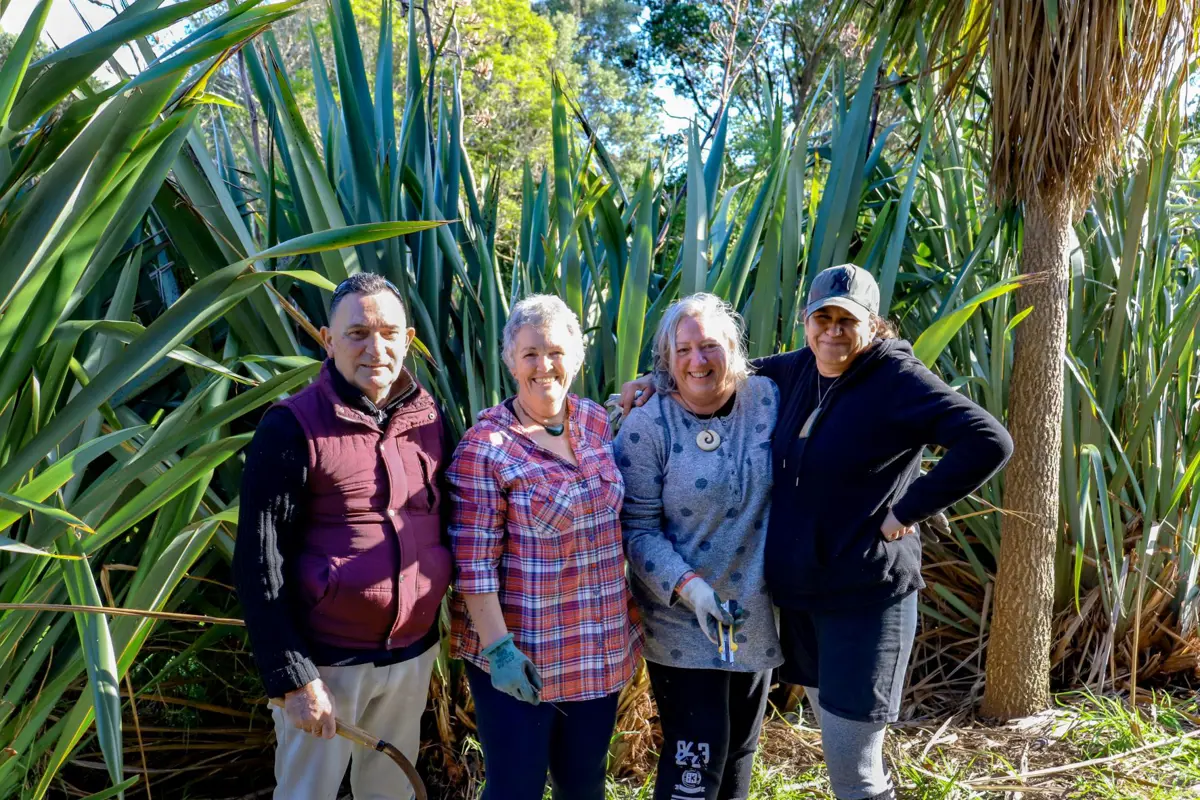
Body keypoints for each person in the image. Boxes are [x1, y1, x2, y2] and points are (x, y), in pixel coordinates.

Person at [619, 265, 1013, 800]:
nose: (833, 331)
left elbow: (988, 440)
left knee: (855, 771)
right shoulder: (798, 369)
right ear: (805, 321)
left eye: (846, 320)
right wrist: (654, 381)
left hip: (864, 597)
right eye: (822, 318)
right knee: (761, 756)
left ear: (873, 324)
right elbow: (713, 368)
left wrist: (907, 510)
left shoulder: (895, 379)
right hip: (802, 603)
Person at [234, 273, 451, 800]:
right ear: (328, 340)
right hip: (325, 666)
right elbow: (259, 562)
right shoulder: (290, 426)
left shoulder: (429, 419)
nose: (376, 348)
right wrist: (294, 676)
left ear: (408, 339)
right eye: (357, 334)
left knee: (392, 792)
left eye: (389, 333)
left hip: (412, 655)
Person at [447, 294, 642, 800]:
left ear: (575, 357)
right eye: (530, 353)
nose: (544, 365)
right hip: (523, 657)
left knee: (584, 786)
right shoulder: (486, 448)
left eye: (555, 352)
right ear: (511, 362)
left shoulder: (595, 421)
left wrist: (650, 385)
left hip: (595, 651)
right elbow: (473, 567)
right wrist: (500, 651)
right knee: (516, 789)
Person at [613, 293, 782, 800]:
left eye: (709, 346)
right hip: (681, 617)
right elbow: (636, 528)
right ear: (666, 360)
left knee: (739, 753)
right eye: (683, 350)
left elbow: (831, 362)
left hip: (752, 612)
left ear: (734, 348)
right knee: (698, 755)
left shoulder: (768, 397)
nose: (697, 360)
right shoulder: (647, 424)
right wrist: (691, 588)